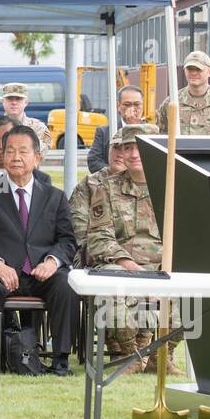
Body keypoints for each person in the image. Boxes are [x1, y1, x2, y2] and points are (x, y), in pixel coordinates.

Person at [0, 125, 77, 376]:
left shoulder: (55, 197)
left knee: (66, 283)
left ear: (37, 157)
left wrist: (52, 261)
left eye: (23, 151)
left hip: (40, 272)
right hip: (1, 271)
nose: (15, 157)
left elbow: (68, 240)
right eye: (10, 151)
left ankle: (60, 360)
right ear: (1, 156)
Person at [85, 123, 182, 375]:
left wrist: (160, 274)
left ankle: (162, 355)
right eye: (127, 148)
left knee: (189, 294)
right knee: (110, 291)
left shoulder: (172, 187)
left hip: (163, 267)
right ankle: (130, 355)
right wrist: (132, 268)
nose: (133, 153)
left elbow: (185, 236)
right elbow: (98, 237)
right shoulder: (106, 188)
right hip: (121, 266)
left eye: (140, 147)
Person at [69, 142, 127, 267]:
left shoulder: (146, 184)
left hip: (139, 256)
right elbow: (80, 234)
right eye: (116, 148)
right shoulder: (89, 184)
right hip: (95, 255)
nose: (120, 154)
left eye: (126, 149)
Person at [157, 50, 210, 136]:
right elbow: (161, 137)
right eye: (190, 69)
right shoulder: (171, 102)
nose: (193, 73)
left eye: (198, 69)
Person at [0, 82, 52, 163]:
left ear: (26, 102)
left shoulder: (38, 128)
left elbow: (37, 157)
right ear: (3, 101)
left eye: (18, 99)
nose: (14, 102)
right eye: (10, 99)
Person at [87, 85, 144, 174]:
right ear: (118, 106)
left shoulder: (152, 133)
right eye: (127, 104)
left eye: (137, 104)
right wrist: (118, 172)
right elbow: (93, 162)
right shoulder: (104, 132)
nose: (132, 109)